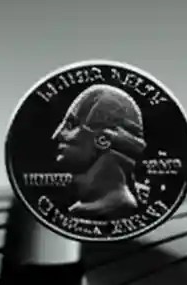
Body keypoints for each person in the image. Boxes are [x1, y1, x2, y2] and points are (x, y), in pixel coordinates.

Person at [52, 84, 147, 218]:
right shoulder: (79, 209)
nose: (57, 135)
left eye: (71, 125)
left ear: (103, 140)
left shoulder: (91, 212)